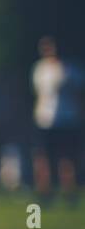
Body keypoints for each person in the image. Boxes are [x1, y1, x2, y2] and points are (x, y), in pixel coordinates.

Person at [31, 36, 82, 201]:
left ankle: (69, 191)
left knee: (67, 158)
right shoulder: (40, 69)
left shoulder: (71, 69)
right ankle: (45, 191)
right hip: (44, 119)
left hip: (67, 119)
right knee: (43, 158)